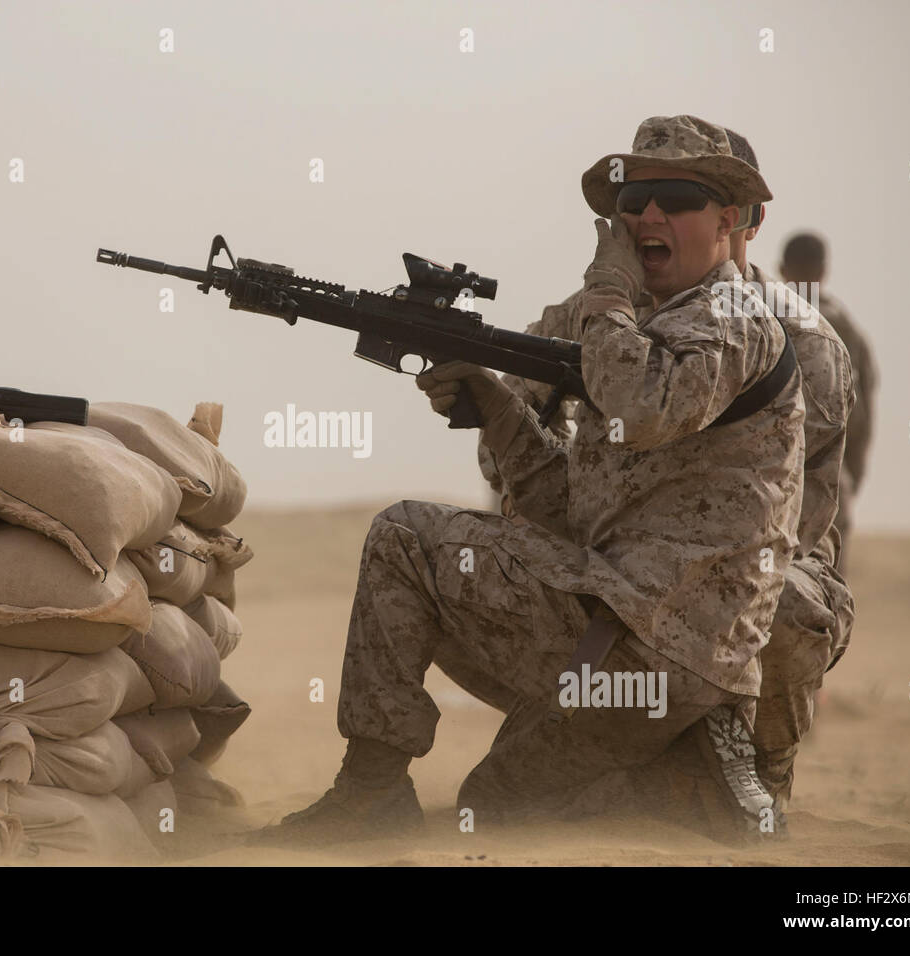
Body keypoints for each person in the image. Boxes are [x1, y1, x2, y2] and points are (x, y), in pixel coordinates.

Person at [258, 115, 804, 842]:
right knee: (494, 807)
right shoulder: (649, 332)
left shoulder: (731, 315)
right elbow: (567, 511)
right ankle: (679, 773)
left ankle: (369, 788)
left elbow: (639, 403)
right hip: (622, 641)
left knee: (405, 538)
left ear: (728, 220)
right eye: (630, 202)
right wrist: (497, 408)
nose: (646, 215)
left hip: (660, 644)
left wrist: (607, 291)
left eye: (675, 196)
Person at [722, 133, 856, 809]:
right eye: (639, 199)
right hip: (629, 565)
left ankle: (767, 766)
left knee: (794, 599)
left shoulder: (813, 335)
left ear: (746, 218)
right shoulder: (605, 320)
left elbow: (826, 456)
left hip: (784, 533)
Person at [779, 232, 877, 569]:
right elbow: (861, 418)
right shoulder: (845, 328)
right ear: (824, 269)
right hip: (829, 488)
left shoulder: (761, 316)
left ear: (782, 268)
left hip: (770, 488)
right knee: (825, 604)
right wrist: (846, 478)